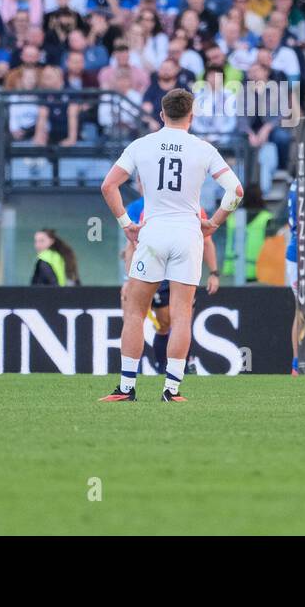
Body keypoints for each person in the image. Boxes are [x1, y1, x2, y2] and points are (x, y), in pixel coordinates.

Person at [98, 88, 242, 402]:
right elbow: (236, 191)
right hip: (189, 234)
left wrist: (127, 225)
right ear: (191, 116)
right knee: (181, 317)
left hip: (153, 231)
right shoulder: (203, 149)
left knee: (135, 312)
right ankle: (171, 390)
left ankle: (126, 388)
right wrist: (214, 222)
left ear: (162, 115)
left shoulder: (142, 145)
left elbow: (108, 185)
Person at [122, 186, 218, 375]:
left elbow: (207, 241)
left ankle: (181, 367)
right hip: (156, 272)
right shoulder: (146, 209)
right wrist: (129, 278)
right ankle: (161, 368)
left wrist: (214, 272)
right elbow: (133, 245)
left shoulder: (195, 209)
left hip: (183, 269)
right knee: (164, 323)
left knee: (181, 319)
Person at [286, 177, 300, 377]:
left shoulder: (297, 182)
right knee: (304, 310)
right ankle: (297, 365)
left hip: (295, 251)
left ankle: (297, 365)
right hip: (303, 253)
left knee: (302, 310)